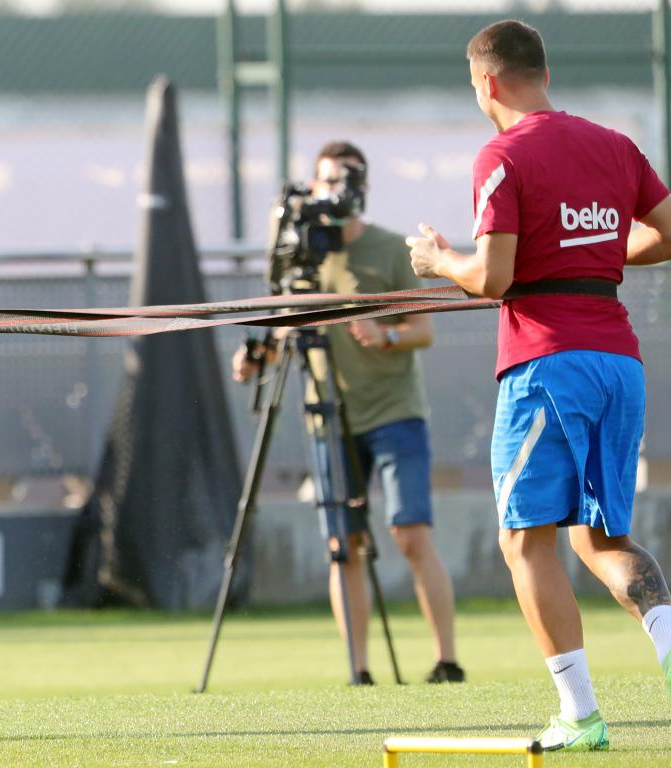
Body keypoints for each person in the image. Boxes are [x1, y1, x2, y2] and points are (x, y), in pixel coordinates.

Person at [407, 19, 671, 752]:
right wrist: (590, 251)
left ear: (487, 82)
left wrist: (438, 261)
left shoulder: (501, 155)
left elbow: (492, 278)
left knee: (524, 541)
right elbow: (669, 232)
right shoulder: (615, 146)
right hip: (619, 362)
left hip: (547, 363)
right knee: (603, 538)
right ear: (543, 73)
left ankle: (580, 716)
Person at [233, 140, 463, 686]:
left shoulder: (388, 248)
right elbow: (284, 326)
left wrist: (384, 334)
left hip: (394, 411)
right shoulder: (300, 254)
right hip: (328, 418)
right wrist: (257, 355)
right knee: (344, 545)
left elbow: (423, 330)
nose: (333, 191)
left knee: (410, 534)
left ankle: (447, 661)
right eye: (326, 180)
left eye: (344, 180)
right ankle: (359, 670)